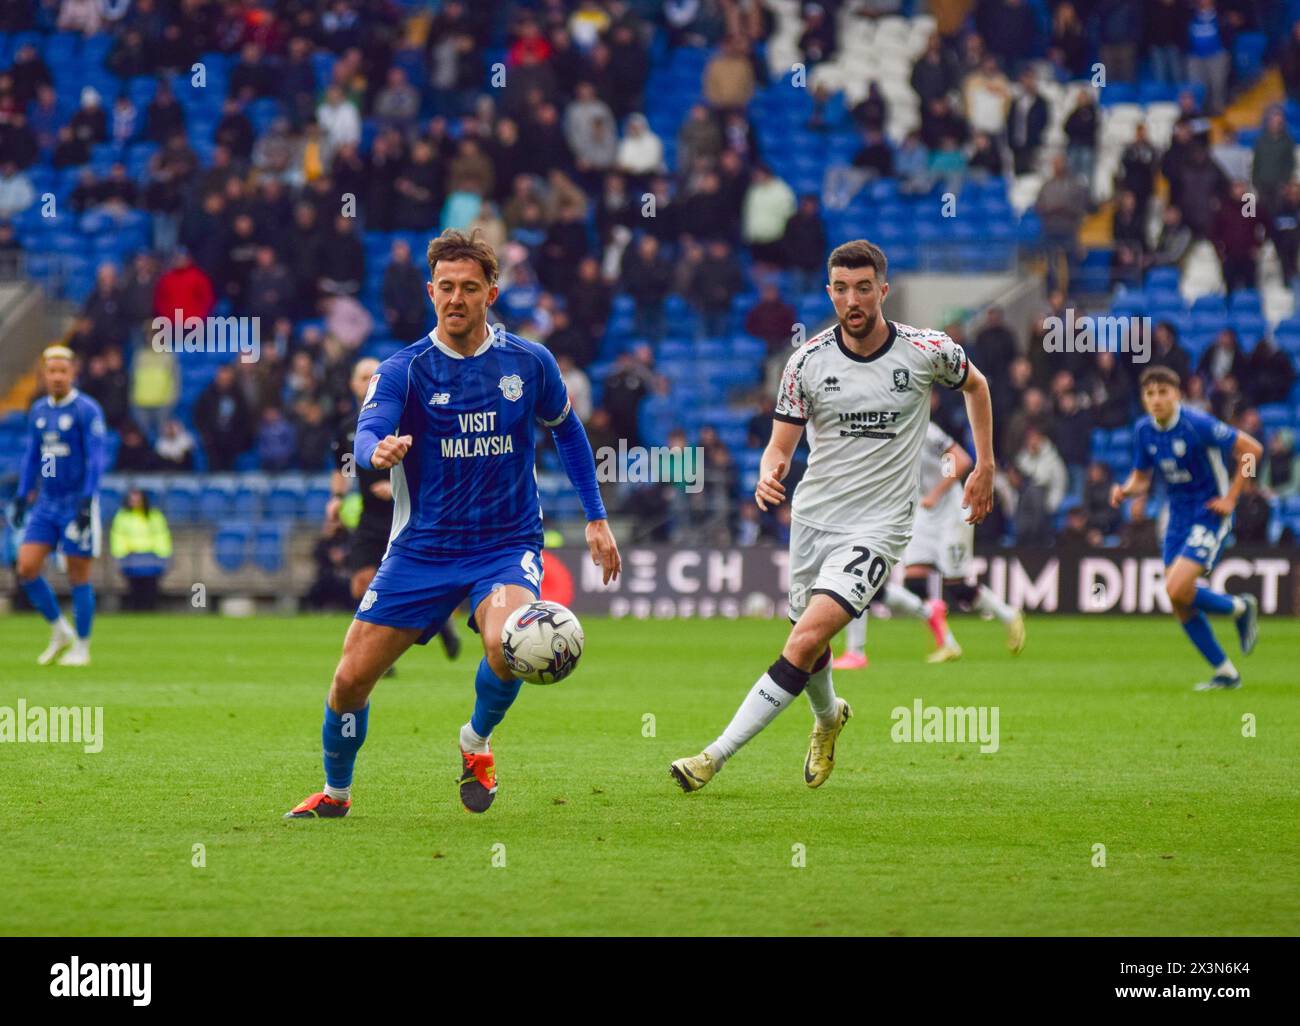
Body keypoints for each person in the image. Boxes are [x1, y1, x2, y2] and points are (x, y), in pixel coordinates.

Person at [286, 229, 621, 820]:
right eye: (446, 287)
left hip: (504, 544)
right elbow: (367, 432)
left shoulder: (529, 362)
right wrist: (375, 453)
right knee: (348, 683)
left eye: (469, 288)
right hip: (422, 549)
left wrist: (596, 517)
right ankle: (336, 793)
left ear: (492, 293)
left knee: (508, 643)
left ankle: (476, 742)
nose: (456, 298)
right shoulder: (404, 370)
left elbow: (566, 428)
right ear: (429, 290)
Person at [669, 239, 995, 793]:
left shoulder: (925, 349)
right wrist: (768, 472)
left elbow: (977, 385)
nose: (853, 300)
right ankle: (828, 718)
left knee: (801, 643)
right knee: (810, 642)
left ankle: (712, 757)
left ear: (883, 290)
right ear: (830, 292)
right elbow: (780, 446)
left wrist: (984, 463)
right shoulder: (806, 362)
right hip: (815, 521)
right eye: (841, 289)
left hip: (880, 528)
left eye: (863, 288)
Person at [1109, 366, 1263, 690]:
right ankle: (1226, 672)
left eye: (1163, 392)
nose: (1157, 400)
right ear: (1143, 398)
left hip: (1209, 512)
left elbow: (1251, 450)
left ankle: (1240, 607)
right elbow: (1142, 478)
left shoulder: (1198, 424)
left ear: (1177, 394)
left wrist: (1232, 497)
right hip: (1176, 517)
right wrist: (1125, 490)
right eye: (1150, 394)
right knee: (1179, 601)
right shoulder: (1143, 430)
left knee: (1176, 588)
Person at [834, 419, 1024, 669]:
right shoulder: (885, 433)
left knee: (957, 587)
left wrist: (937, 490)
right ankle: (947, 643)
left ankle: (1008, 615)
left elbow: (960, 459)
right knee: (915, 582)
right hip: (923, 511)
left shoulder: (925, 429)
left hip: (951, 509)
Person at [328, 356, 461, 667]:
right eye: (362, 376)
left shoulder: (408, 419)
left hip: (407, 514)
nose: (368, 380)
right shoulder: (347, 428)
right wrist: (335, 498)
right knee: (360, 583)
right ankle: (379, 652)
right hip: (371, 517)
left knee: (415, 582)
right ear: (353, 384)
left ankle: (439, 624)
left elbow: (432, 463)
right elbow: (341, 469)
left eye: (373, 375)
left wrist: (396, 485)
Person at [11, 346, 107, 666]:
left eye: (62, 371)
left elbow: (95, 459)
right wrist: (24, 494)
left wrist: (86, 499)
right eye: (51, 371)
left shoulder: (86, 410)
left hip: (76, 501)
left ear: (72, 373)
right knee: (26, 567)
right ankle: (59, 629)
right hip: (47, 501)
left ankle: (83, 645)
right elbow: (35, 456)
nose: (56, 377)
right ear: (43, 373)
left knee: (78, 574)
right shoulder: (39, 411)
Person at [110, 489, 172, 611]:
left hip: (151, 555)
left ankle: (151, 609)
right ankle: (136, 609)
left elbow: (161, 535)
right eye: (132, 499)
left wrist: (162, 554)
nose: (135, 502)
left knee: (151, 585)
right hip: (131, 555)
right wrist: (120, 553)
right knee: (134, 586)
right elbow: (118, 536)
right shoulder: (122, 516)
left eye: (137, 499)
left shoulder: (154, 515)